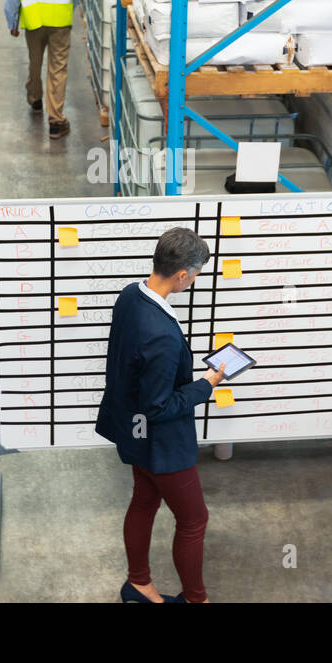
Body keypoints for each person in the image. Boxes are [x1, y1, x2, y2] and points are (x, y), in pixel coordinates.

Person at [95, 227, 225, 603]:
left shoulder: (130, 295)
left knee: (144, 501)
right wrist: (206, 384)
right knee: (194, 520)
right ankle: (196, 599)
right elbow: (160, 407)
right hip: (163, 445)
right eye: (196, 275)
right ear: (183, 275)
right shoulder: (162, 336)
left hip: (133, 434)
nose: (194, 281)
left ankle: (137, 584)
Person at [3, 0, 74, 139]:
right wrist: (70, 9)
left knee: (35, 62)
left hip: (34, 22)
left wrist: (13, 23)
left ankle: (35, 98)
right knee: (58, 69)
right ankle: (56, 121)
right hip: (61, 22)